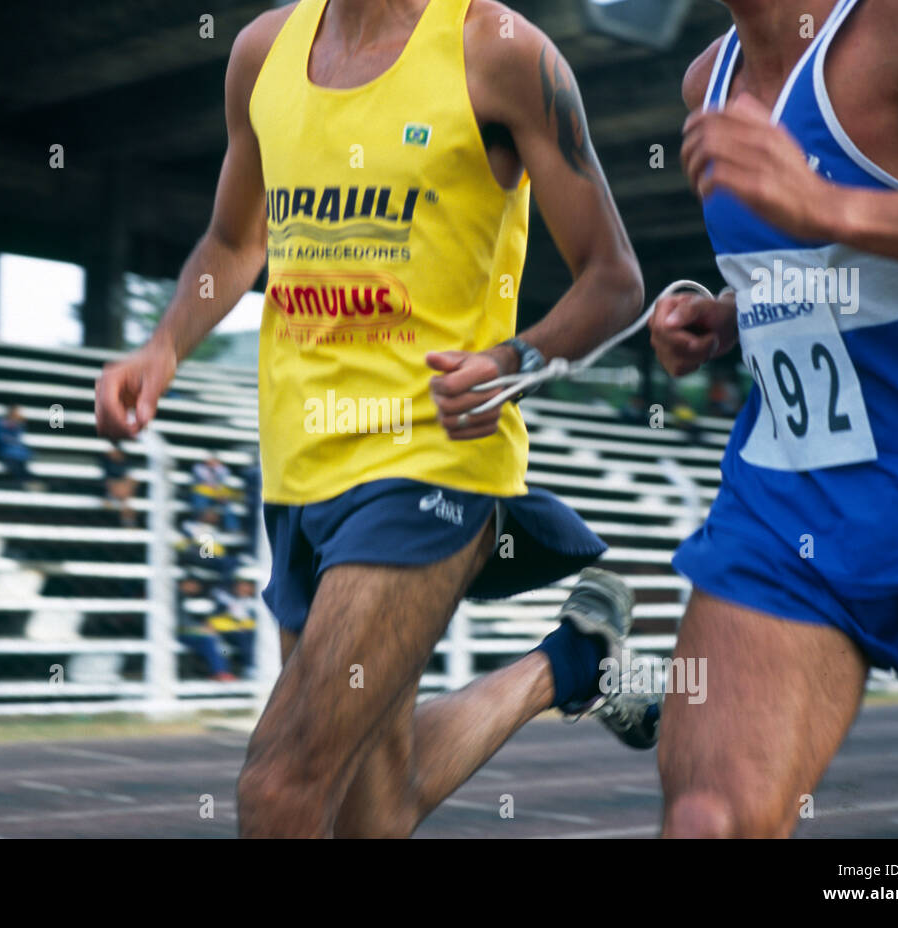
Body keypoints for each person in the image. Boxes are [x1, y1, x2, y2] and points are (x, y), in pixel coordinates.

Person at [97, 0, 657, 838]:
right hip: (298, 469)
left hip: (429, 463)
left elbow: (613, 278)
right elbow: (232, 239)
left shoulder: (499, 53)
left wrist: (514, 363)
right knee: (376, 803)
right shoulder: (259, 53)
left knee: (281, 785)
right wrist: (165, 345)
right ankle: (570, 662)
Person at [649, 0, 898, 837]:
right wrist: (730, 314)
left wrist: (830, 207)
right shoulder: (709, 81)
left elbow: (830, 219)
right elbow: (823, 267)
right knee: (710, 823)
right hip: (792, 509)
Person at [0, 405, 35, 488]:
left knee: (21, 466)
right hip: (5, 452)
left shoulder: (18, 425)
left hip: (16, 453)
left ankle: (27, 481)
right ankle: (24, 482)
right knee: (15, 466)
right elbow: (0, 438)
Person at [100, 441, 137, 526]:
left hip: (119, 489)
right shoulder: (106, 465)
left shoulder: (126, 464)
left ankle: (128, 521)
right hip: (113, 487)